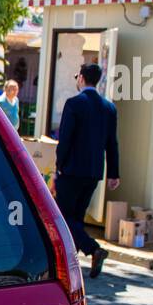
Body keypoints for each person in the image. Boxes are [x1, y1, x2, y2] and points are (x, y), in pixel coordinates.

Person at [54, 62, 120, 278]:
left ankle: (92, 249)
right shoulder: (108, 108)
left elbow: (65, 139)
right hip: (93, 171)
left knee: (63, 216)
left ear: (81, 78)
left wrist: (58, 167)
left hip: (71, 169)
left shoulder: (74, 104)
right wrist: (113, 173)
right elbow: (112, 143)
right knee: (77, 217)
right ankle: (75, 256)